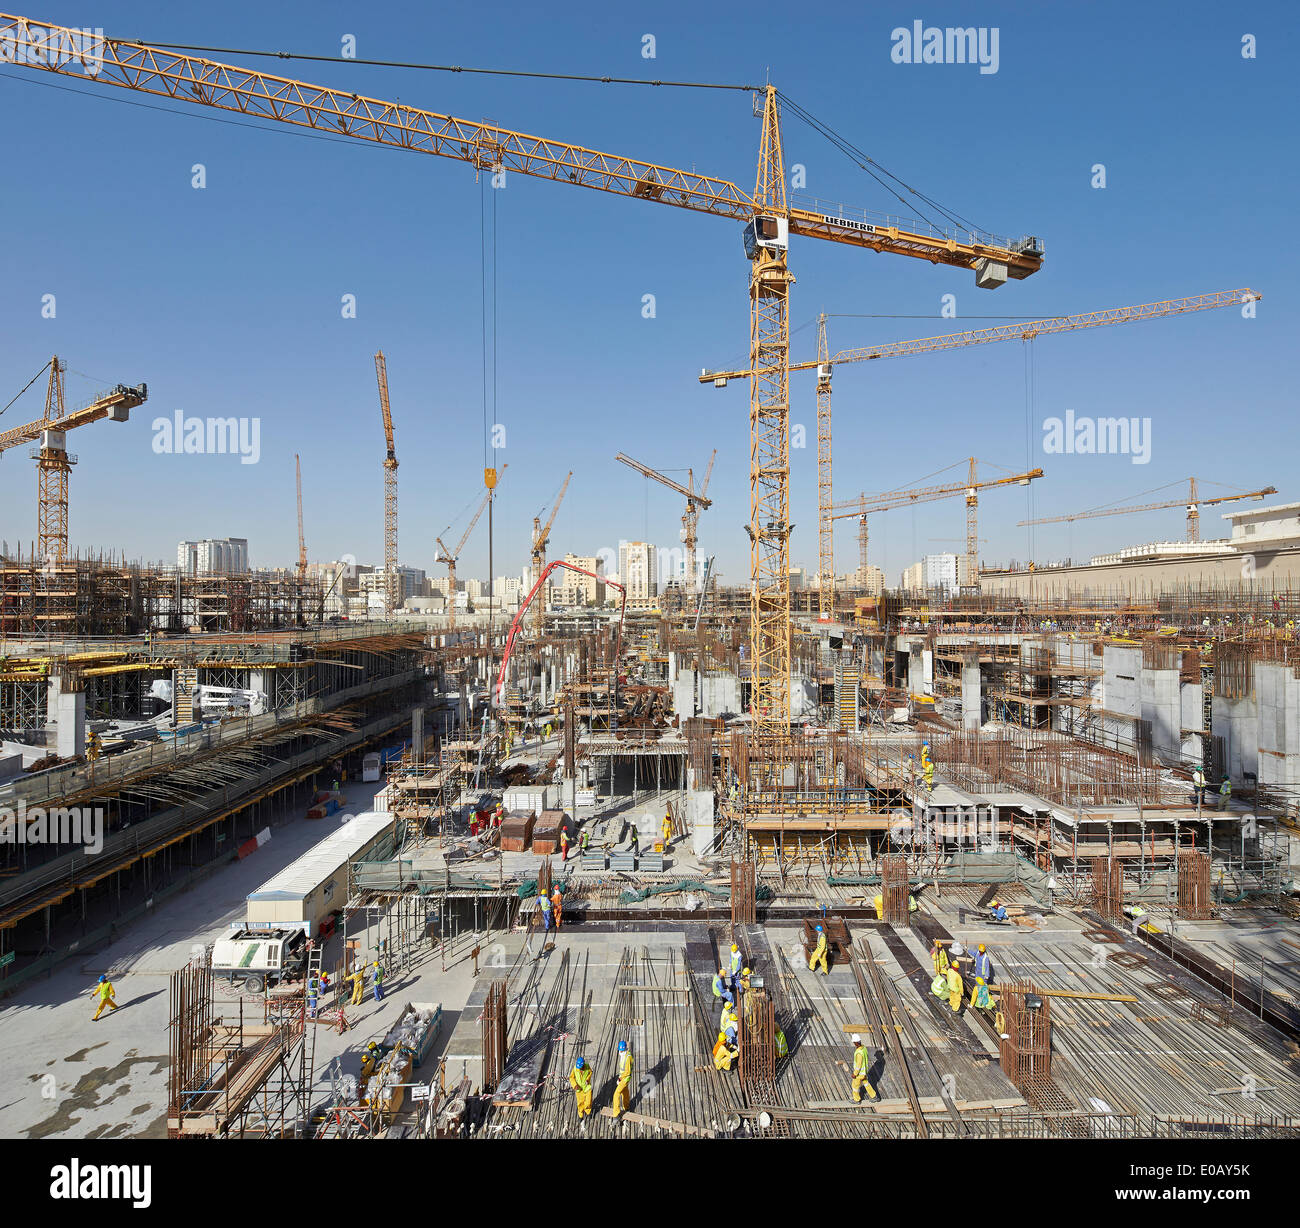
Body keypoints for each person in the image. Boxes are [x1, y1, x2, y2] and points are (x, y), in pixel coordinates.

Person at [851, 1035, 878, 1103]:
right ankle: (874, 1096)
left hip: (859, 1074)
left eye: (854, 1042)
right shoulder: (864, 1048)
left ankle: (856, 1100)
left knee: (855, 1086)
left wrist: (855, 1074)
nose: (854, 1044)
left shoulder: (859, 1053)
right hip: (864, 1072)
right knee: (866, 1084)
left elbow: (858, 1065)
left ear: (856, 1042)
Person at [611, 1041, 633, 1117]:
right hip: (624, 1078)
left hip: (624, 1078)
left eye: (621, 1050)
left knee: (616, 1094)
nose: (620, 1051)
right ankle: (627, 1107)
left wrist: (620, 1078)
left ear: (623, 1050)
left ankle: (616, 1114)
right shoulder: (624, 1055)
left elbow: (627, 1071)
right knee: (625, 1092)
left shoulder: (627, 1057)